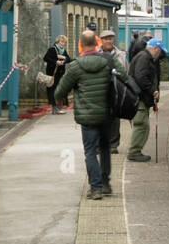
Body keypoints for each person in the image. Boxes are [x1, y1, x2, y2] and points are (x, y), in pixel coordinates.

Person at [53, 29, 128, 200]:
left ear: (80, 45)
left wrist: (68, 97)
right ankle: (106, 183)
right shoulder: (109, 60)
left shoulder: (75, 66)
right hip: (107, 114)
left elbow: (59, 92)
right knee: (105, 148)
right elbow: (124, 76)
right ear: (97, 43)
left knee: (90, 152)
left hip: (87, 116)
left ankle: (96, 189)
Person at [125, 38, 161, 163]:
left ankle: (136, 151)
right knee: (141, 124)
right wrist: (152, 90)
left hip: (141, 97)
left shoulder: (144, 57)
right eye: (160, 51)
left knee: (143, 125)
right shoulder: (144, 58)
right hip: (139, 97)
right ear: (156, 49)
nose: (160, 54)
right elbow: (141, 77)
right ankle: (134, 152)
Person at [98, 29, 124, 153]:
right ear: (101, 40)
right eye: (106, 39)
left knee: (114, 118)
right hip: (99, 89)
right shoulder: (95, 53)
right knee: (100, 119)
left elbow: (125, 71)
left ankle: (113, 145)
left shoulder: (120, 54)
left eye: (110, 38)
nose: (109, 41)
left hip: (115, 90)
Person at [43, 34, 70, 114]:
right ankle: (54, 107)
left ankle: (58, 107)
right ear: (58, 41)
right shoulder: (52, 49)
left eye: (64, 42)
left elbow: (69, 59)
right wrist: (56, 61)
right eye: (62, 42)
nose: (63, 44)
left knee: (59, 90)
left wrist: (64, 59)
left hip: (61, 73)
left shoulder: (63, 51)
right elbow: (46, 58)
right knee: (52, 90)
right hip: (52, 73)